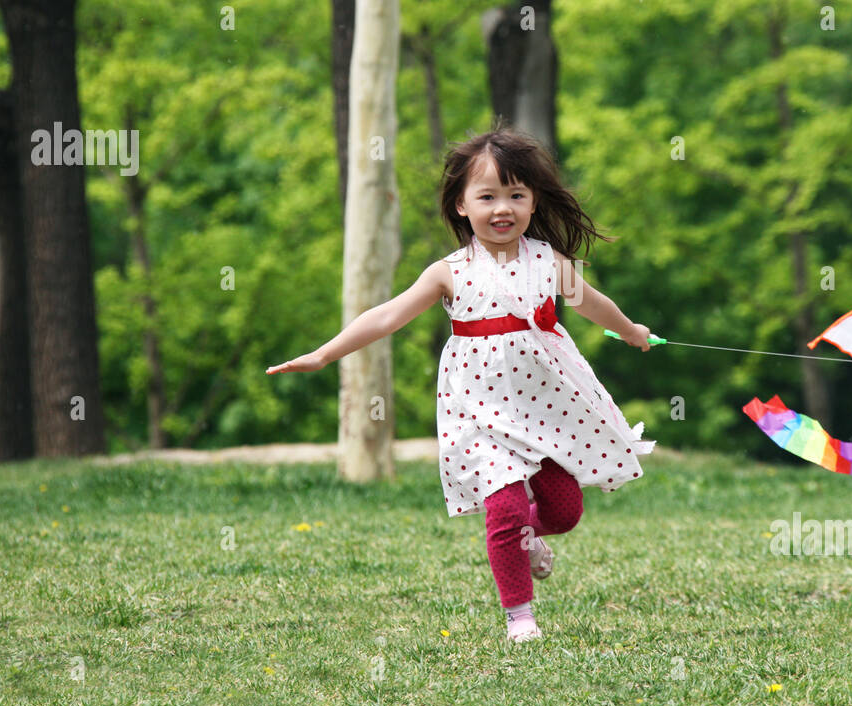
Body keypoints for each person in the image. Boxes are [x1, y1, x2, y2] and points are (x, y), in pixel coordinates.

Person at [268, 127, 656, 642]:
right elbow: (385, 317)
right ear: (460, 205)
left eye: (517, 195)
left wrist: (630, 331)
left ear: (533, 201)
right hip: (481, 413)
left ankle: (527, 539)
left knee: (564, 512)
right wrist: (323, 354)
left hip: (549, 407)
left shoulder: (549, 261)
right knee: (506, 509)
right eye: (488, 196)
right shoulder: (448, 272)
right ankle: (521, 617)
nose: (504, 207)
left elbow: (592, 303)